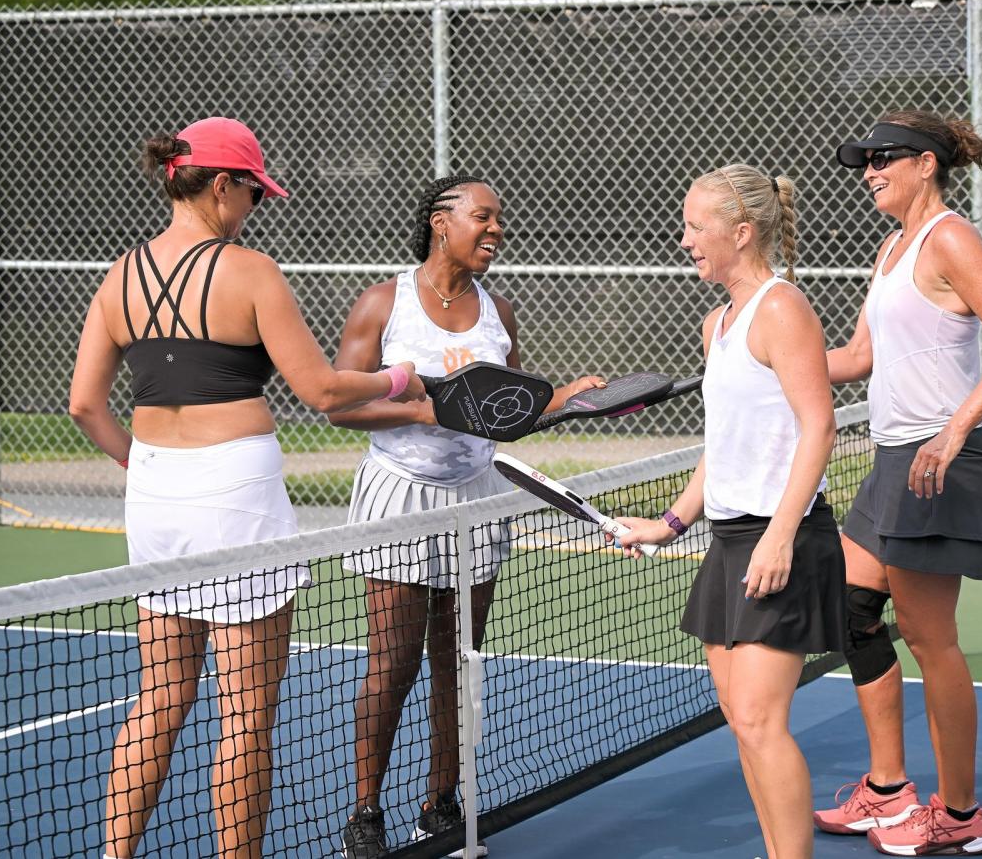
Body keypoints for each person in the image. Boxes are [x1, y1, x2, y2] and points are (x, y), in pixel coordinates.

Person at [67, 116, 425, 859]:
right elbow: (324, 392)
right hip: (235, 488)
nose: (255, 208)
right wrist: (400, 376)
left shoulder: (119, 274)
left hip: (157, 494)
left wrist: (146, 468)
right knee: (245, 715)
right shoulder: (250, 270)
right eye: (254, 193)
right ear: (223, 186)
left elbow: (84, 406)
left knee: (159, 698)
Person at [328, 175, 603, 859]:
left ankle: (441, 801)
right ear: (439, 223)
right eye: (483, 217)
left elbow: (508, 415)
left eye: (498, 219)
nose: (496, 229)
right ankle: (366, 812)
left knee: (460, 659)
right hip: (399, 491)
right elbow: (337, 404)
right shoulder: (382, 304)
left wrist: (567, 398)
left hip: (477, 496)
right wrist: (427, 408)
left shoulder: (497, 312)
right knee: (392, 662)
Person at [811, 111, 982, 856]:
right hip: (890, 463)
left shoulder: (950, 238)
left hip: (940, 461)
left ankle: (961, 813)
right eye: (866, 161)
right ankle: (886, 792)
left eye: (884, 159)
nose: (871, 170)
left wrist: (952, 430)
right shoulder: (890, 248)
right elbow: (855, 356)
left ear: (926, 165)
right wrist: (762, 356)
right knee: (850, 611)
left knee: (930, 639)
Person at [617, 164, 846, 859]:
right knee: (741, 721)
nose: (684, 238)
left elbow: (820, 427)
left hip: (785, 541)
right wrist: (672, 522)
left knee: (759, 718)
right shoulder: (716, 321)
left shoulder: (783, 309)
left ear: (740, 233)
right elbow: (721, 447)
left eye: (695, 226)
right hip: (729, 542)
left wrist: (779, 537)